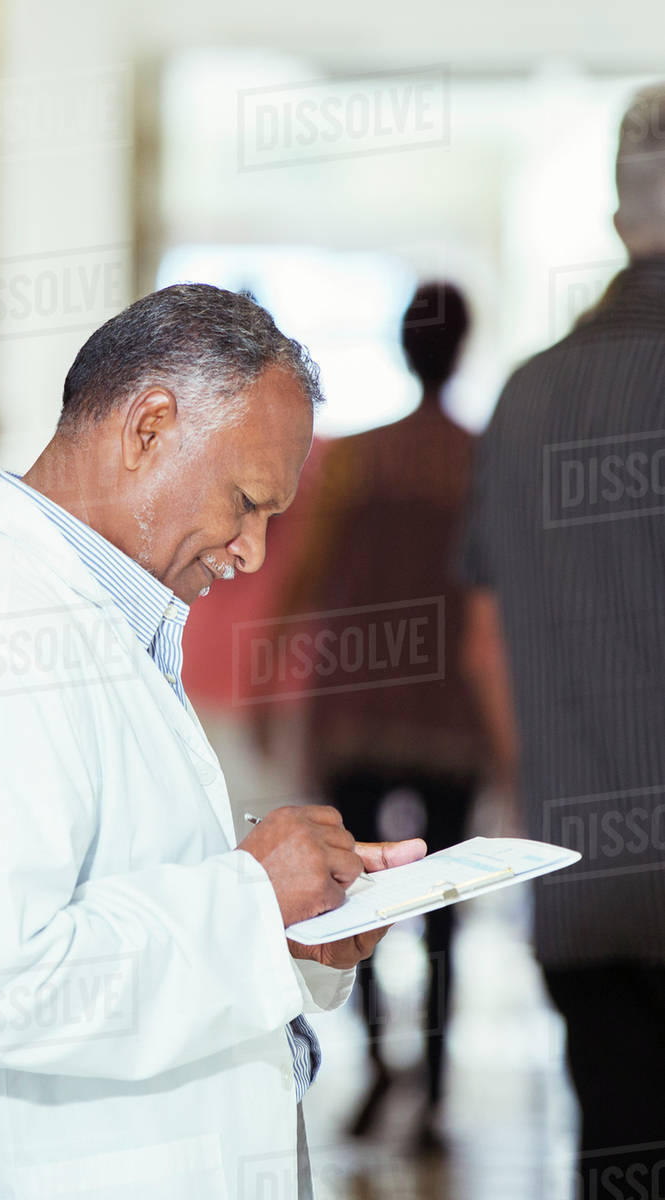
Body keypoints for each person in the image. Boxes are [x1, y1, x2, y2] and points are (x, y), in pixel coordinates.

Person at [0, 283, 426, 1200]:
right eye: (245, 502)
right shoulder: (2, 639)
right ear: (149, 428)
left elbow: (127, 902)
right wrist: (255, 900)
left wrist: (293, 930)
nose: (251, 552)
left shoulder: (94, 612)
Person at [459, 85, 665, 1190]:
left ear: (614, 220)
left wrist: (538, 790)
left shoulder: (527, 399)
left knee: (618, 1146)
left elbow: (483, 642)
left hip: (582, 873)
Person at [270, 282, 513, 1148]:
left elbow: (309, 577)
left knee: (356, 895)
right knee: (446, 902)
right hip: (449, 712)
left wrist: (275, 678)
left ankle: (376, 1071)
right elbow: (498, 597)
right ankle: (436, 1096)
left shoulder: (356, 458)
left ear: (406, 347)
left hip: (360, 704)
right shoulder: (481, 458)